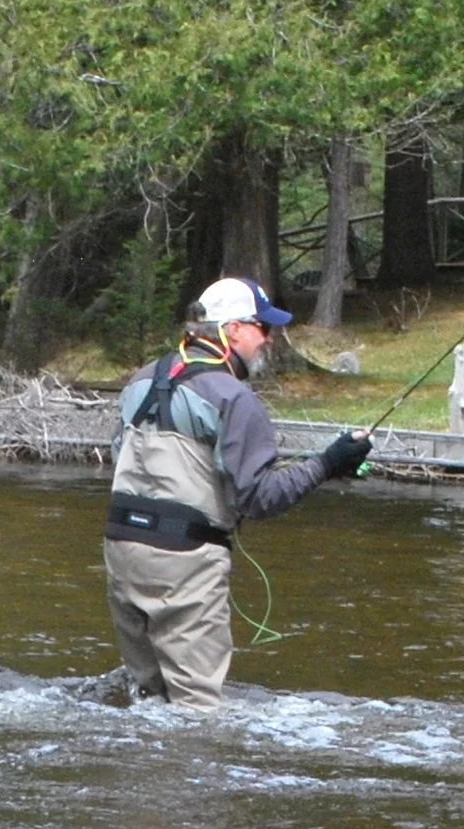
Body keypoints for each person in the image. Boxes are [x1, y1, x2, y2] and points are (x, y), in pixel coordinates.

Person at [102, 276, 370, 707]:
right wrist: (328, 464)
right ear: (233, 330)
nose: (268, 339)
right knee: (196, 709)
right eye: (262, 327)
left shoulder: (142, 380)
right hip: (184, 561)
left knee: (149, 699)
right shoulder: (233, 397)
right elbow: (260, 498)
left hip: (121, 547)